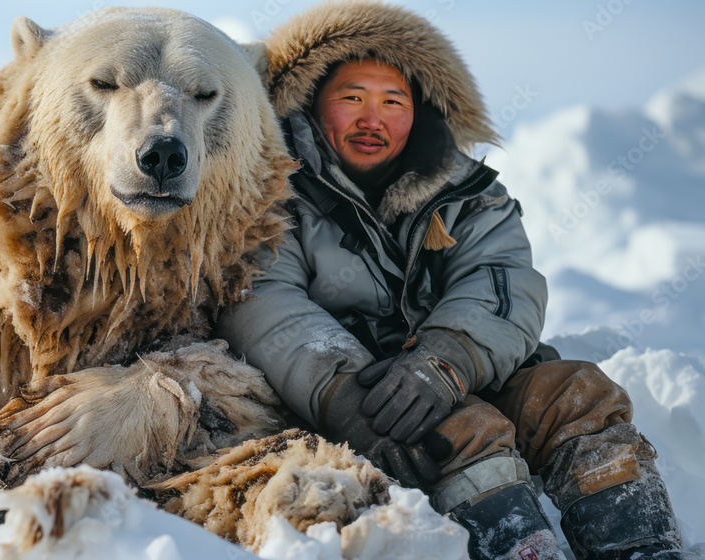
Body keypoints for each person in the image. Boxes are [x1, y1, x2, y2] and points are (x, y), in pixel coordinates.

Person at [217, 3, 692, 559]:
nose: (373, 119)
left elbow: (503, 281)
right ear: (306, 103)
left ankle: (644, 548)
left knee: (576, 394)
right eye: (352, 98)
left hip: (460, 372)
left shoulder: (468, 192)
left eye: (393, 101)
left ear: (419, 111)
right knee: (460, 432)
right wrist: (343, 394)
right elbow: (262, 300)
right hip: (356, 393)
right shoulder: (269, 192)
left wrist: (448, 355)